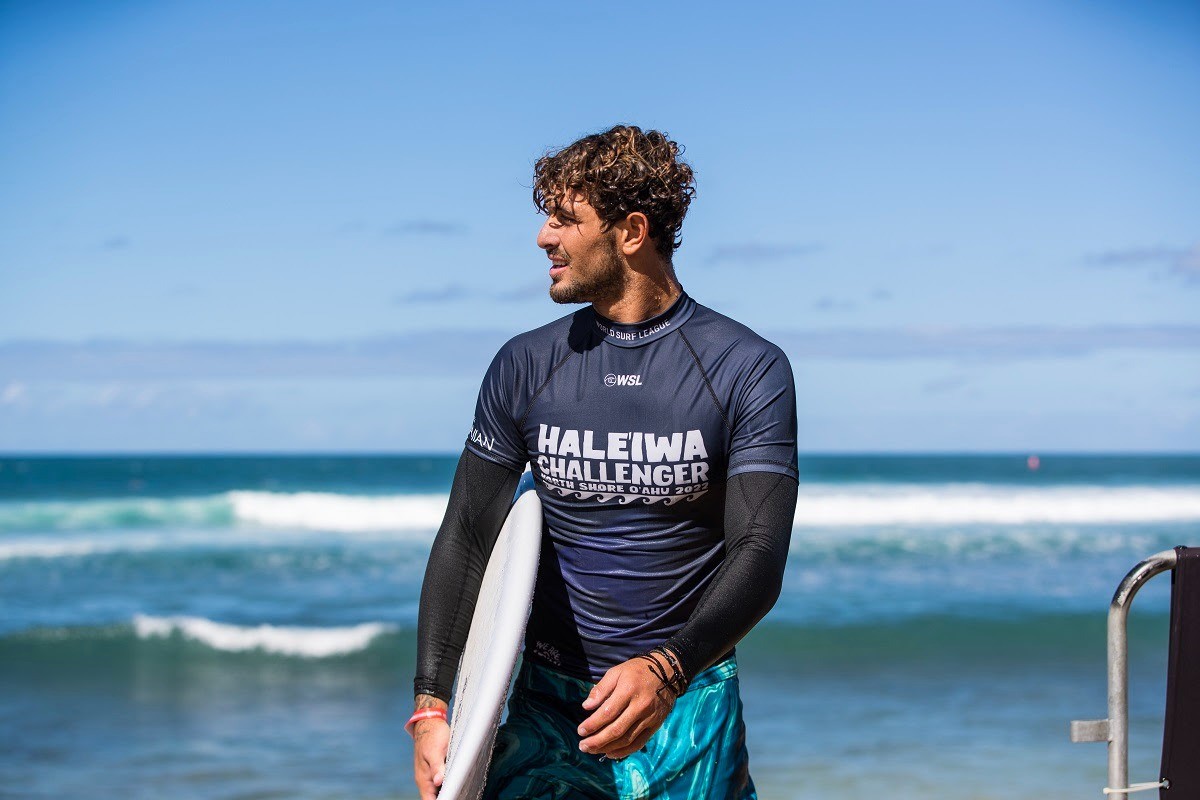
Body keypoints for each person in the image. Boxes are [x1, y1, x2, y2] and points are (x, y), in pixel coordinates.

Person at [410, 125, 799, 800]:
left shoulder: (745, 369)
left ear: (631, 231)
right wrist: (432, 706)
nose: (543, 238)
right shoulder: (525, 365)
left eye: (565, 219)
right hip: (546, 704)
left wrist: (669, 669)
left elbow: (759, 552)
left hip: (686, 700)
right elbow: (469, 535)